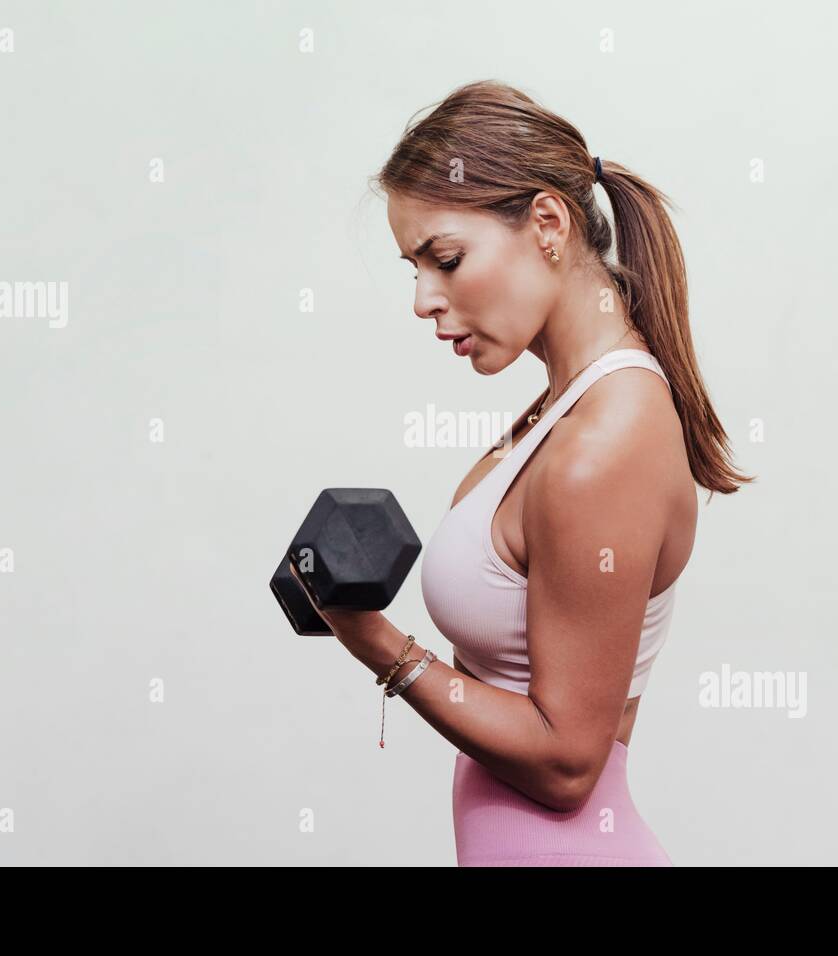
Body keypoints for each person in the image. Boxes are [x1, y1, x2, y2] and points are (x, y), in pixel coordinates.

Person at [294, 79, 753, 866]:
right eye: (413, 269)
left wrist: (376, 643)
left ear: (546, 222)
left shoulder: (605, 439)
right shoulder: (564, 409)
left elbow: (568, 763)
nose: (422, 300)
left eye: (445, 258)